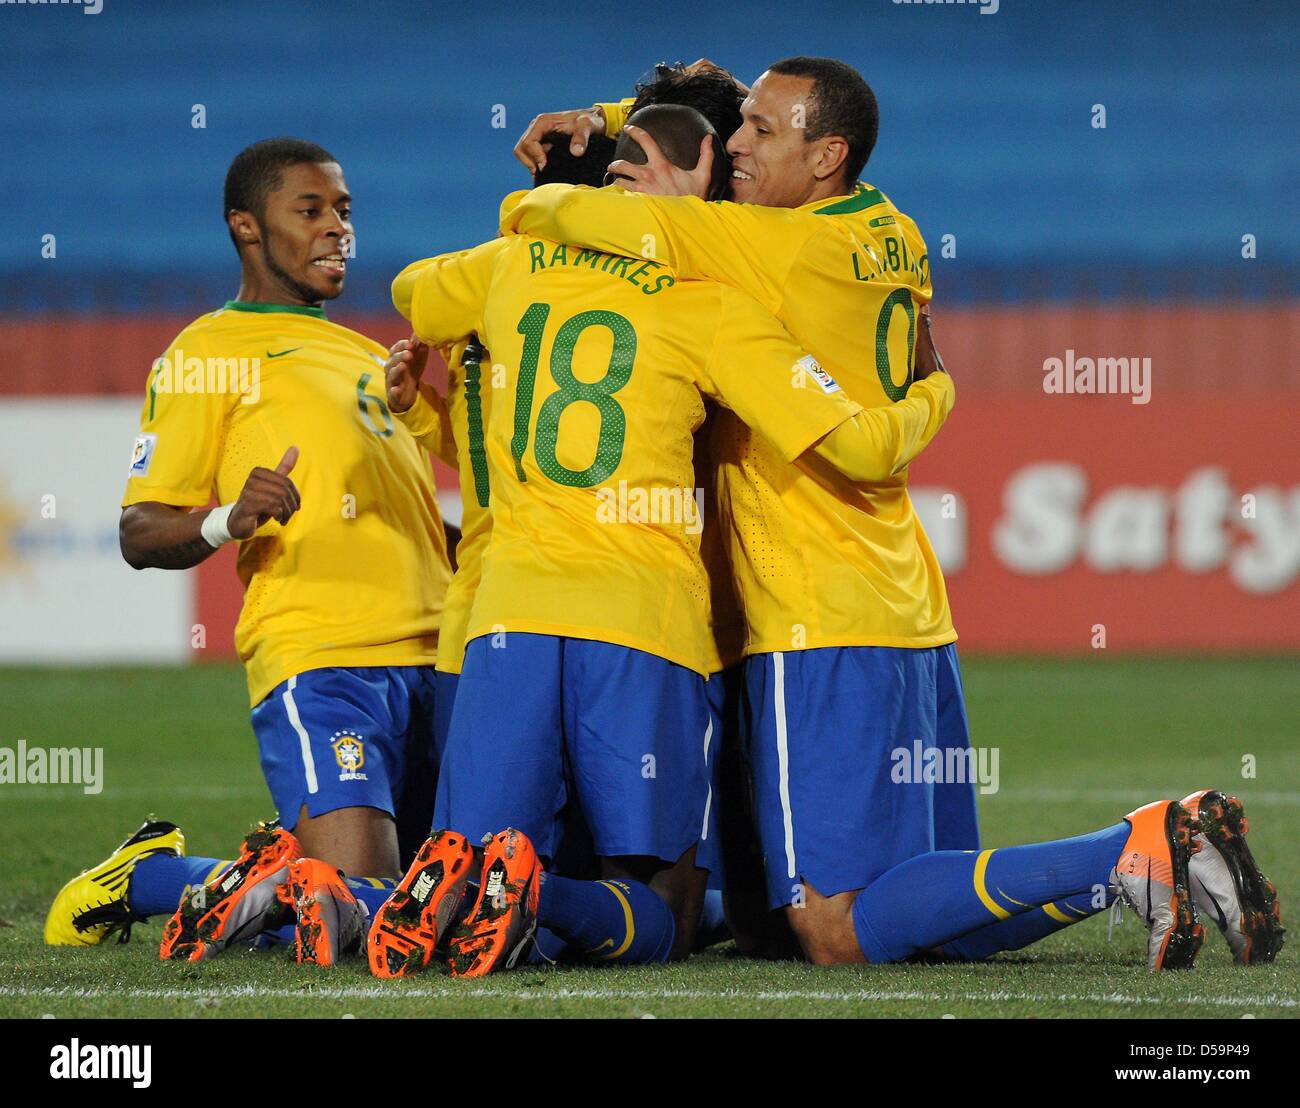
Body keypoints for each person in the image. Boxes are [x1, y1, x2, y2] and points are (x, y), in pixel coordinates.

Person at [368, 104, 957, 979]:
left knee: (463, 886)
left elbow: (413, 292)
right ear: (702, 205)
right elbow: (860, 444)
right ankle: (531, 889)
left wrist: (531, 211)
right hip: (643, 623)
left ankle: (418, 883)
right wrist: (935, 391)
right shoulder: (712, 303)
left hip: (502, 618)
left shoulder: (507, 269)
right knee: (664, 915)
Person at [45, 137, 456, 964]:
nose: (337, 228)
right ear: (246, 228)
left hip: (442, 663)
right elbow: (140, 531)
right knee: (361, 920)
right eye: (309, 211)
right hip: (325, 664)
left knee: (465, 904)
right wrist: (228, 519)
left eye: (344, 210)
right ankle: (146, 881)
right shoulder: (206, 353)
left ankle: (265, 870)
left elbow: (416, 526)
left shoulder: (371, 358)